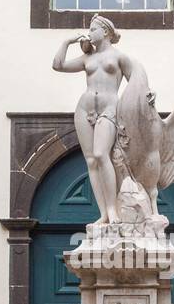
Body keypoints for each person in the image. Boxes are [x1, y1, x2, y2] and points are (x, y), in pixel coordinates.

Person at [51, 15, 134, 225]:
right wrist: (67, 42)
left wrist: (149, 95)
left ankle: (113, 210)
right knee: (91, 160)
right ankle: (104, 213)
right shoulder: (87, 59)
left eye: (93, 29)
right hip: (84, 108)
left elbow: (137, 82)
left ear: (105, 32)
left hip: (109, 107)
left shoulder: (119, 57)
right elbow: (58, 65)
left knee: (100, 154)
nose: (89, 33)